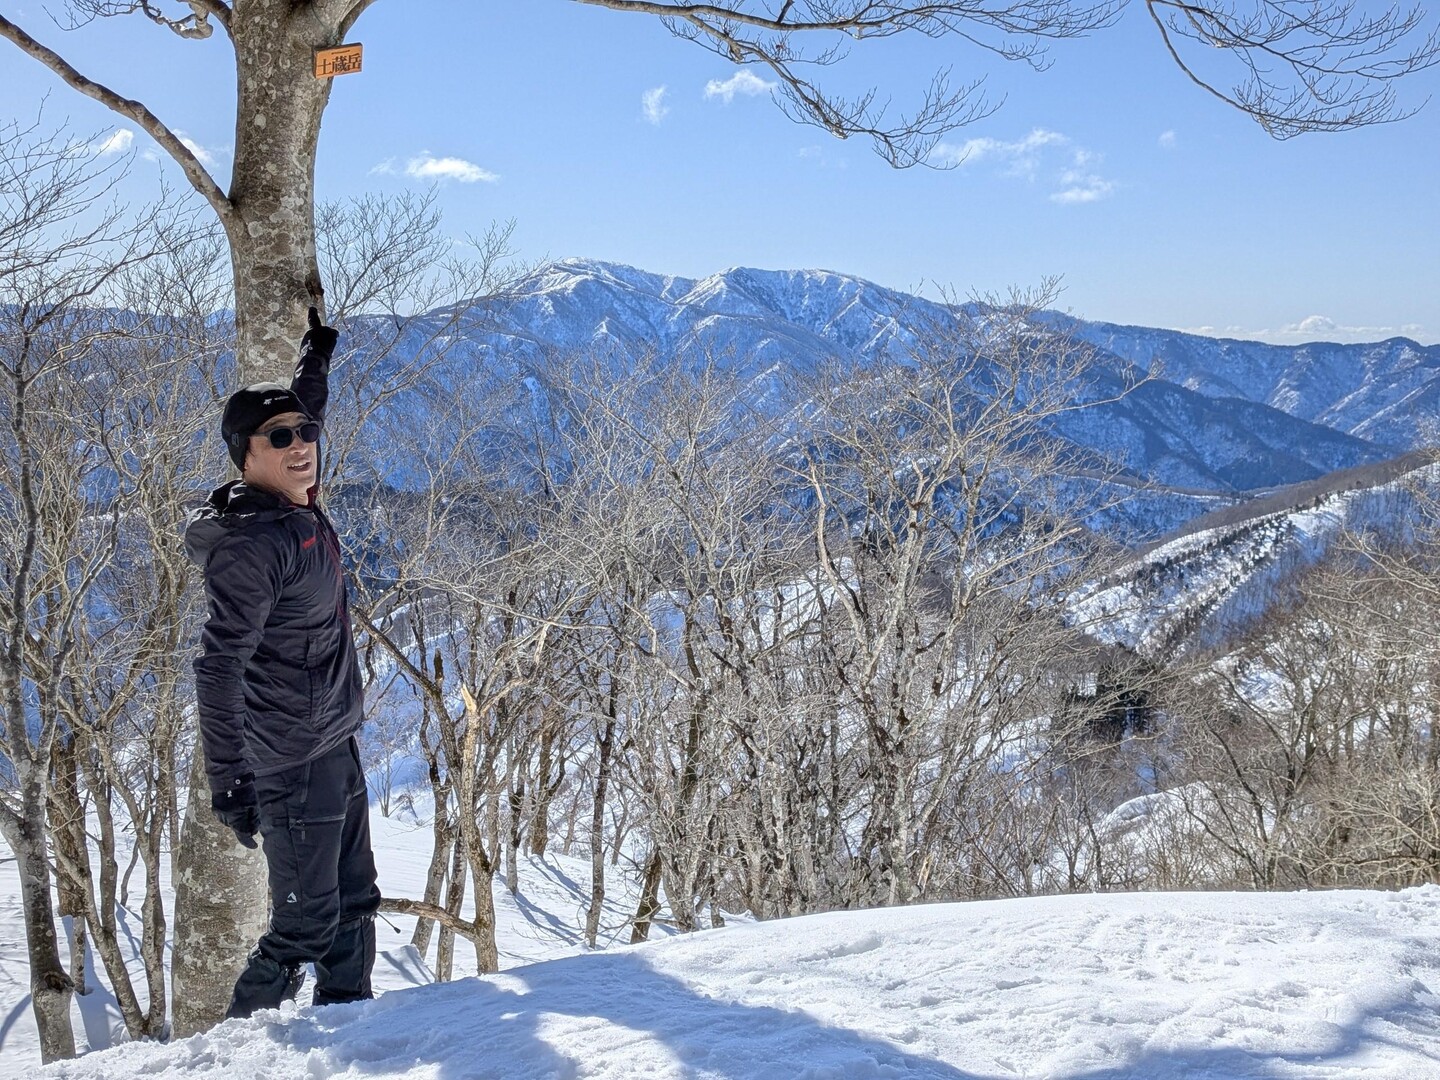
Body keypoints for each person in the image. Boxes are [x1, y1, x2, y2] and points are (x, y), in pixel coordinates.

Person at [185, 307, 381, 1019]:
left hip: (334, 741)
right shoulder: (253, 547)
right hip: (290, 762)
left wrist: (316, 353)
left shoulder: (296, 495)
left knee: (355, 901)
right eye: (281, 437)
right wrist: (230, 781)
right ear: (246, 453)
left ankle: (349, 1022)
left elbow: (306, 407)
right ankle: (232, 1053)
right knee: (302, 924)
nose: (302, 445)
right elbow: (216, 668)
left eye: (306, 434)